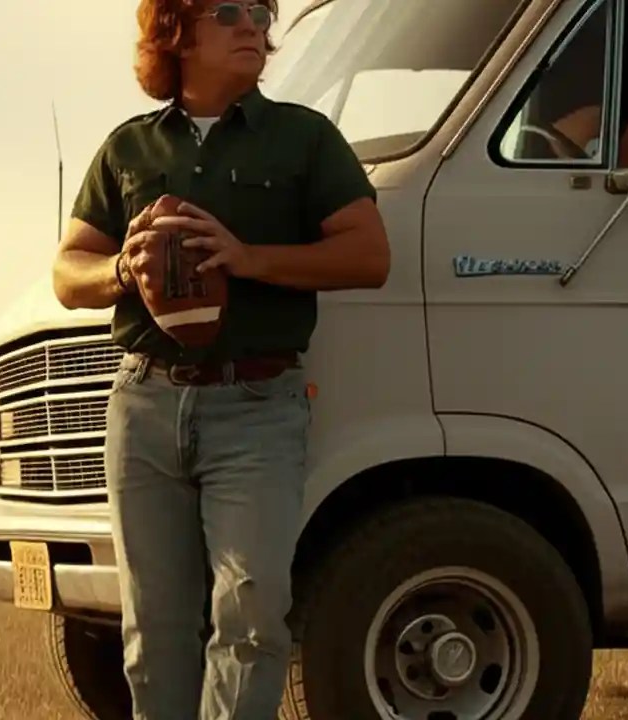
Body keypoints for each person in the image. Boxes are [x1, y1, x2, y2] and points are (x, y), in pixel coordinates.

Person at [50, 1, 390, 717]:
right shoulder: (128, 150)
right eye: (229, 10)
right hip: (143, 406)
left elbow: (369, 254)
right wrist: (122, 269)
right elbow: (67, 272)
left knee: (254, 613)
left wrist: (247, 258)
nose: (252, 25)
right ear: (176, 30)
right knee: (156, 628)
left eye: (260, 11)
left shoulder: (304, 138)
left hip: (257, 407)